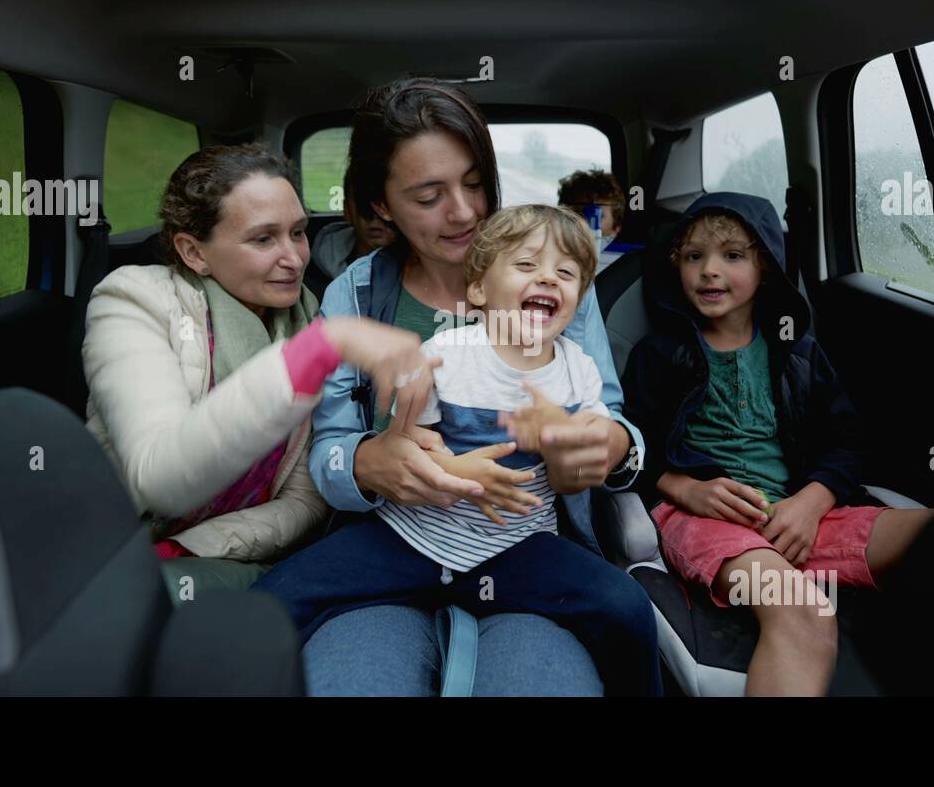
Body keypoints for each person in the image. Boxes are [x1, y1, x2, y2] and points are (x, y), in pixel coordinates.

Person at [305, 77, 647, 696]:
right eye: (428, 195)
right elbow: (328, 450)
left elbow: (611, 420)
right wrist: (366, 461)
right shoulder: (352, 296)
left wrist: (604, 447)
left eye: (473, 183)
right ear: (380, 205)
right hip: (396, 543)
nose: (463, 212)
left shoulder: (563, 289)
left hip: (530, 549)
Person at [257, 205, 660, 696]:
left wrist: (573, 440)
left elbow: (597, 435)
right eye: (528, 266)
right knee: (279, 597)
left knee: (627, 607)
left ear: (579, 299)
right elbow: (407, 443)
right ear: (478, 291)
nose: (549, 279)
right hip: (414, 536)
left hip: (519, 546)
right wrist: (454, 470)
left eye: (567, 273)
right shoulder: (447, 356)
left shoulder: (578, 370)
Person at [81, 143, 437, 604]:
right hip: (113, 551)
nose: (294, 258)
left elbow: (306, 502)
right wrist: (315, 353)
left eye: (299, 233)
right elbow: (160, 477)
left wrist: (191, 549)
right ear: (193, 252)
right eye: (263, 239)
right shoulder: (134, 301)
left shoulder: (316, 317)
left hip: (238, 557)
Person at [622, 191, 934, 696]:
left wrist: (813, 502)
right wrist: (684, 488)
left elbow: (848, 443)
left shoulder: (797, 353)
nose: (709, 271)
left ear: (765, 266)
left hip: (795, 516)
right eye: (694, 256)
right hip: (707, 523)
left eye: (732, 255)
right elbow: (629, 447)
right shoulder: (660, 355)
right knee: (806, 613)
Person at [303, 173, 396, 300]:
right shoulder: (313, 281)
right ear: (347, 210)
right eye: (363, 204)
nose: (375, 216)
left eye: (384, 203)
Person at [558, 167, 626, 274]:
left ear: (616, 228)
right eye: (576, 212)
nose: (582, 221)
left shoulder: (622, 265)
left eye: (596, 215)